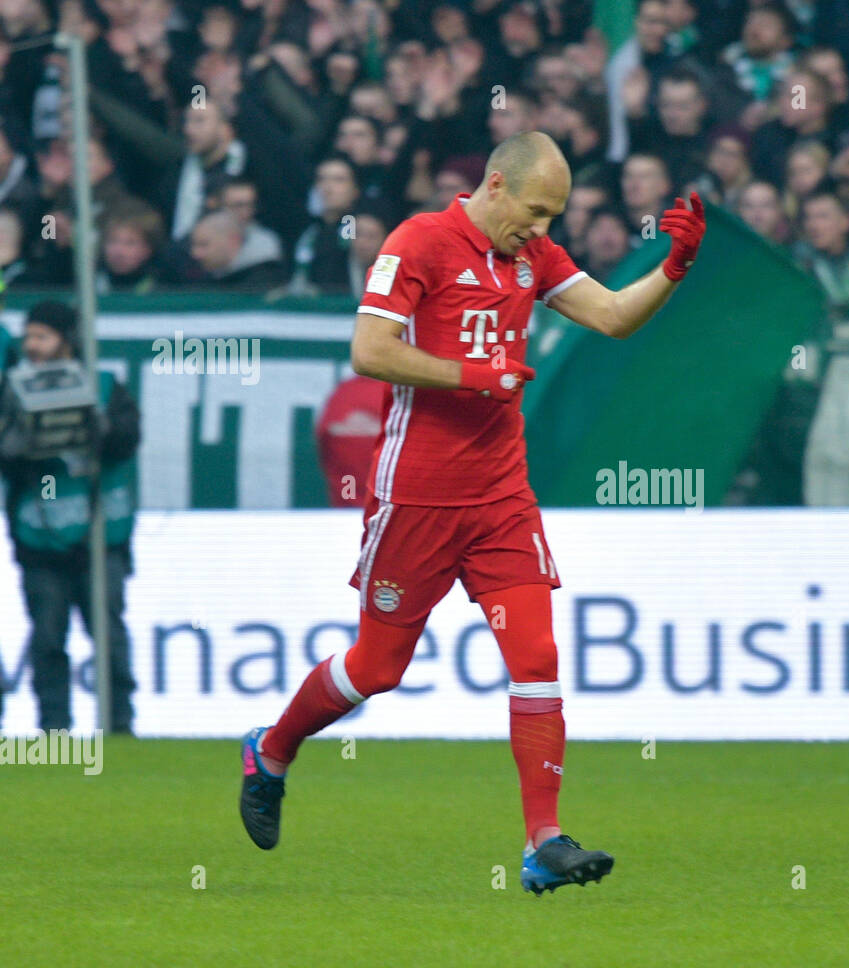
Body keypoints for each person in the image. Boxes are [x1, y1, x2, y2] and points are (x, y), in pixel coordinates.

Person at [240, 131, 707, 897]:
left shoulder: (535, 257)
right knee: (375, 669)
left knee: (538, 658)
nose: (543, 230)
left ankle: (543, 841)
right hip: (416, 496)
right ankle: (273, 749)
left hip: (500, 499)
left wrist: (675, 268)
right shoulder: (419, 242)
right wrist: (471, 375)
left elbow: (617, 317)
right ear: (495, 186)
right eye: (535, 211)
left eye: (555, 216)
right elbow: (369, 350)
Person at [0, 301, 140, 733]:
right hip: (40, 539)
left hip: (100, 535)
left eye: (42, 335)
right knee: (47, 638)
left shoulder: (104, 387)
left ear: (66, 339)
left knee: (109, 635)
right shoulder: (11, 390)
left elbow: (128, 438)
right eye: (29, 336)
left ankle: (119, 724)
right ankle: (54, 727)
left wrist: (101, 431)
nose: (32, 345)